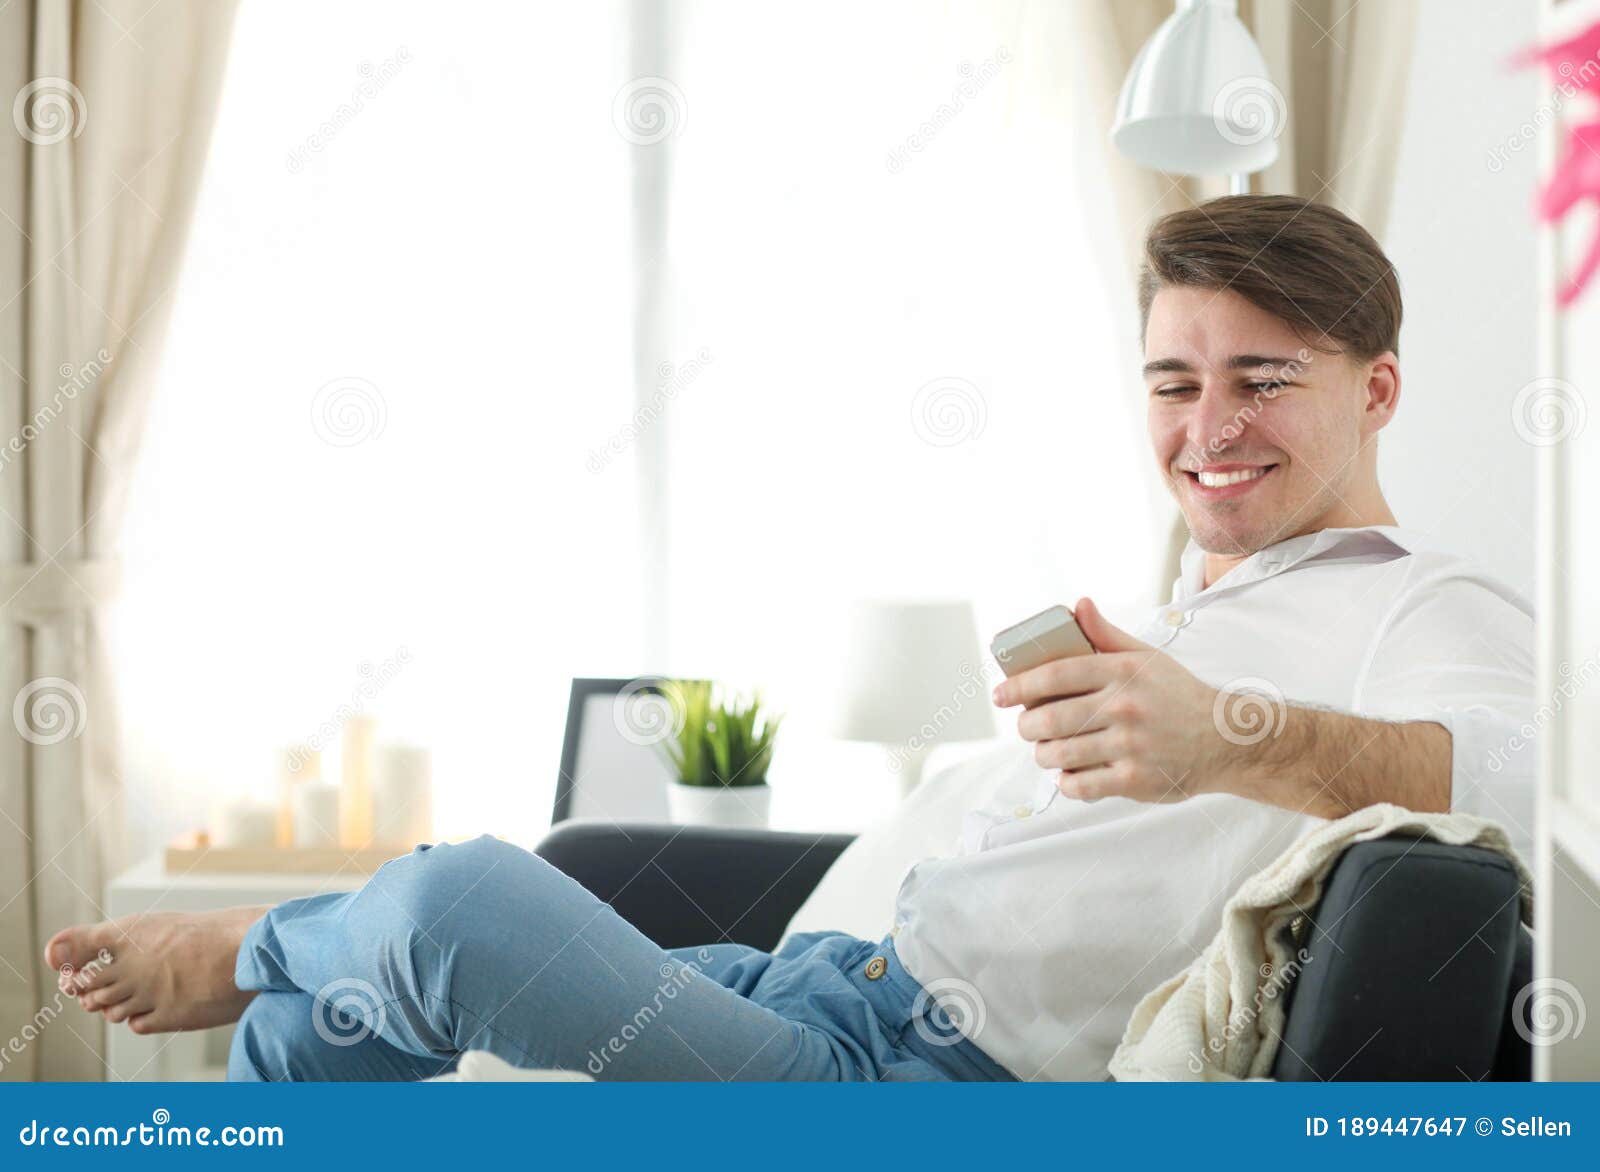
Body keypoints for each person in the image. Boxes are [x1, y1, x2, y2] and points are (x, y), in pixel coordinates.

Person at [46, 195, 1534, 1082]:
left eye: (1261, 378)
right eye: (1171, 382)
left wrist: (1234, 738)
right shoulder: (1196, 601)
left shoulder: (1424, 603)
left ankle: (241, 947)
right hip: (826, 983)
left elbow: (1531, 791)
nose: (1206, 429)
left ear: (1378, 389)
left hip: (908, 1085)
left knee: (442, 909)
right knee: (332, 1019)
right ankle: (280, 985)